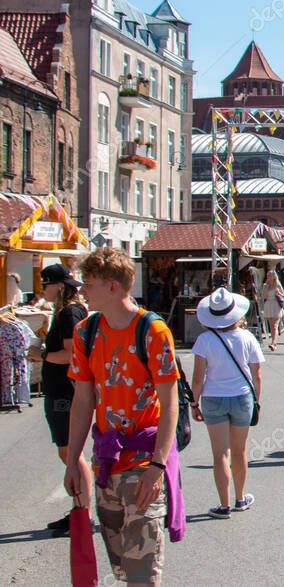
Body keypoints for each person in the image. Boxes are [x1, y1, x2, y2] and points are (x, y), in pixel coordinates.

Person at [65, 247, 183, 584]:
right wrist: (73, 460)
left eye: (89, 283)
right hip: (106, 462)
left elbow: (170, 401)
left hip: (143, 463)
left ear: (113, 286)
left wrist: (158, 466)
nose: (82, 290)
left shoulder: (152, 330)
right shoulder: (85, 332)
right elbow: (82, 400)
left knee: (142, 572)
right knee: (121, 566)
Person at [190, 287, 264, 518]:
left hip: (213, 397)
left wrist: (194, 403)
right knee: (240, 451)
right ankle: (240, 498)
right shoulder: (247, 337)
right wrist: (257, 401)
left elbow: (197, 377)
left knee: (220, 453)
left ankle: (223, 505)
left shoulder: (204, 340)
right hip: (242, 396)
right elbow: (257, 374)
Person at [26, 264, 89, 536]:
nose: (43, 289)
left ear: (59, 285)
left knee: (71, 453)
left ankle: (82, 510)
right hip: (63, 389)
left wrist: (40, 355)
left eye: (46, 284)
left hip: (65, 390)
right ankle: (79, 508)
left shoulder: (69, 313)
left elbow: (71, 354)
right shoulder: (68, 311)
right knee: (68, 451)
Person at [0, 309, 34, 408]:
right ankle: (14, 397)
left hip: (8, 357)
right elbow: (26, 341)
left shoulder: (10, 326)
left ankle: (8, 397)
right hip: (16, 357)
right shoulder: (17, 326)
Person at [260, 270, 284, 351]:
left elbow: (283, 295)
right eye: (268, 275)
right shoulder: (265, 285)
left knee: (275, 326)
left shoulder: (277, 284)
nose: (268, 277)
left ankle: (273, 343)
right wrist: (266, 288)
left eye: (270, 275)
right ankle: (274, 342)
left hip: (276, 305)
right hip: (268, 305)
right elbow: (263, 297)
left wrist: (278, 292)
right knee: (271, 326)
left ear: (274, 276)